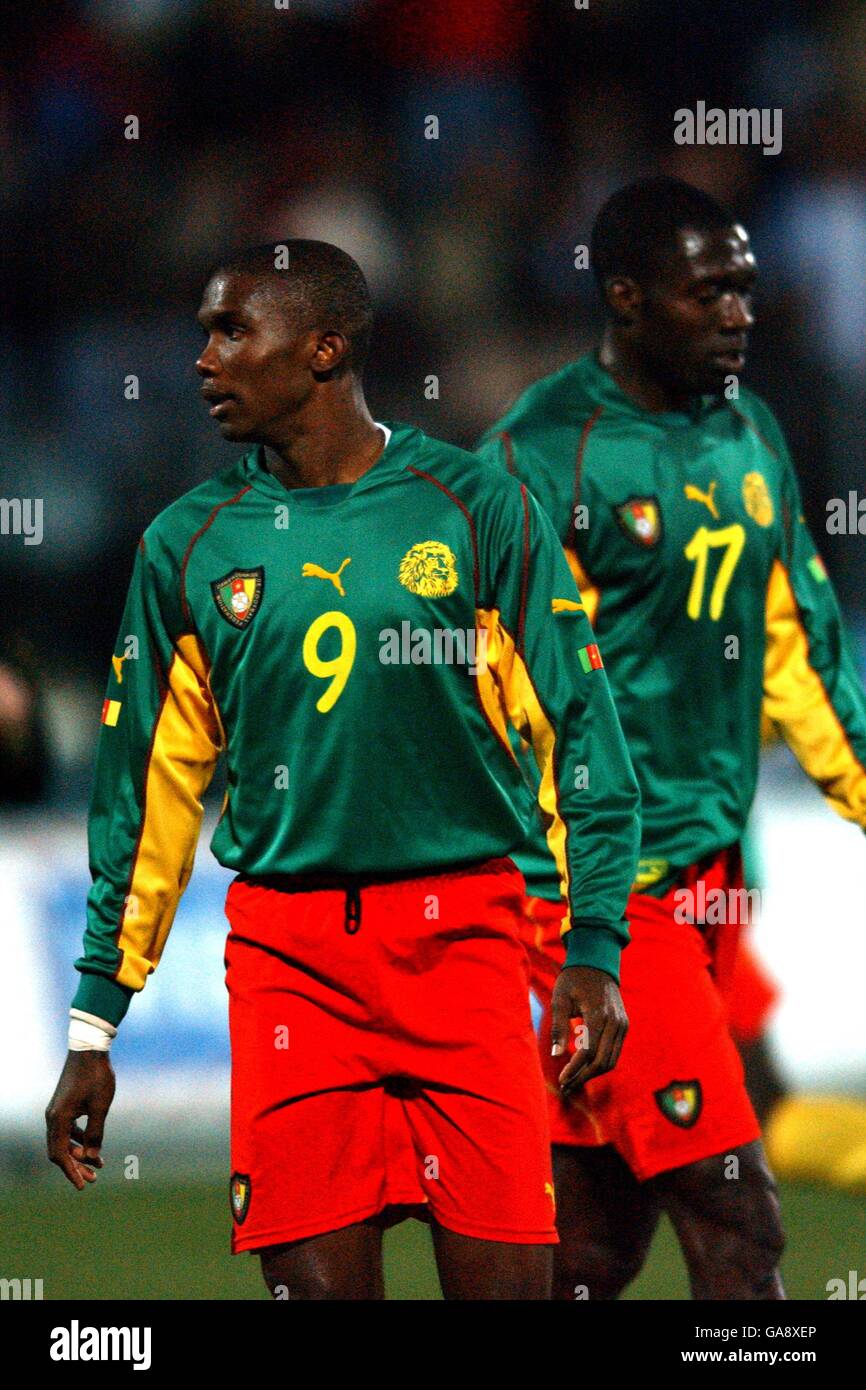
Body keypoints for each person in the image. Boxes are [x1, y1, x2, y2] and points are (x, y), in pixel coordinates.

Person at [45, 239, 641, 1301]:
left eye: (232, 331)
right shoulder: (185, 547)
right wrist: (95, 1024)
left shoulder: (474, 509)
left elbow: (579, 735)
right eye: (203, 334)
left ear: (323, 349)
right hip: (290, 964)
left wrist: (592, 938)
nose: (204, 359)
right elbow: (148, 801)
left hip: (463, 948)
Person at [477, 178, 866, 1300]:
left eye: (744, 287)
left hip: (704, 881)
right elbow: (491, 687)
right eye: (710, 293)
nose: (740, 312)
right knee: (738, 1221)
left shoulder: (748, 431)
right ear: (628, 300)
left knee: (592, 1249)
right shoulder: (541, 457)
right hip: (598, 892)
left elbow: (798, 651)